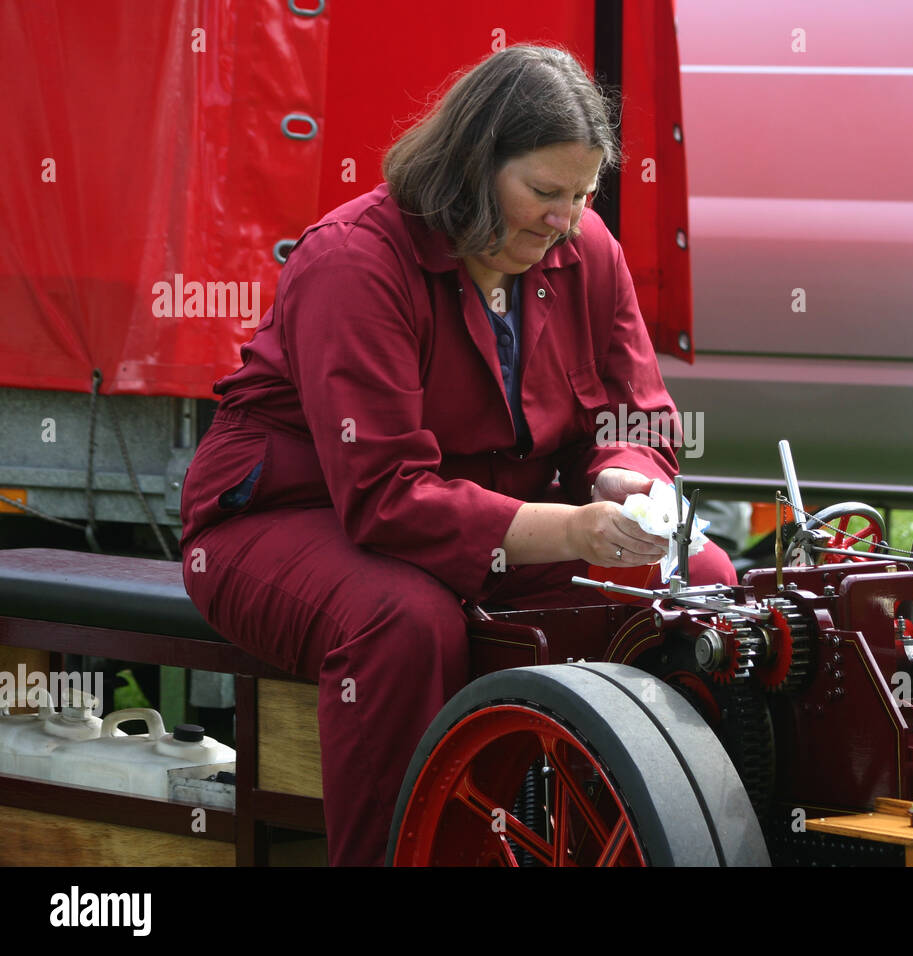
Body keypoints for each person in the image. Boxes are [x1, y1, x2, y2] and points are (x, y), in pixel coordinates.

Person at [179, 43, 736, 866]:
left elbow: (636, 414)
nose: (564, 221)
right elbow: (384, 497)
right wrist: (576, 531)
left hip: (485, 522)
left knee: (705, 586)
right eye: (544, 192)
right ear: (474, 167)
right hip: (281, 519)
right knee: (404, 624)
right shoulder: (354, 260)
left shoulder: (585, 247)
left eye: (582, 194)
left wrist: (625, 475)